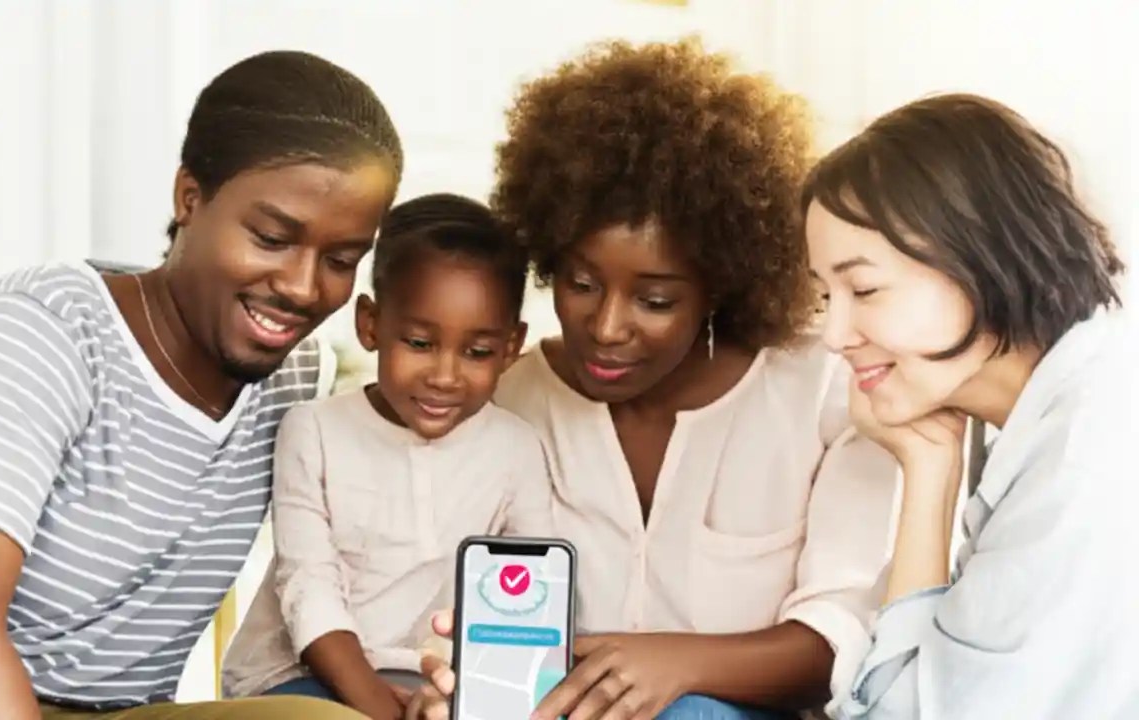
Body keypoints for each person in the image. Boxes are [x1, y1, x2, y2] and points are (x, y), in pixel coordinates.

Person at [0, 50, 403, 719]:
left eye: (342, 259)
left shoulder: (296, 377)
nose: (301, 286)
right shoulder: (46, 329)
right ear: (189, 197)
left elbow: (464, 404)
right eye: (270, 238)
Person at [408, 38, 899, 720]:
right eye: (581, 284)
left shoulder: (823, 390)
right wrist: (453, 683)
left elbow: (843, 635)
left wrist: (678, 663)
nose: (607, 327)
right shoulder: (510, 402)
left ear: (720, 286)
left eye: (656, 300)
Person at [805, 95, 1138, 718]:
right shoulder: (1054, 413)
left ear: (985, 260)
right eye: (825, 295)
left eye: (864, 288)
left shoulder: (1089, 457)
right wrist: (928, 465)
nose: (833, 334)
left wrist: (928, 486)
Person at [221, 194, 552, 719]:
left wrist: (450, 693)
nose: (444, 375)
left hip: (439, 684)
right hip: (304, 677)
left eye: (478, 352)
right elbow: (309, 587)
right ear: (371, 324)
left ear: (511, 347)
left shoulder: (517, 449)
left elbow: (523, 607)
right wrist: (382, 710)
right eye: (419, 342)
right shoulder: (314, 431)